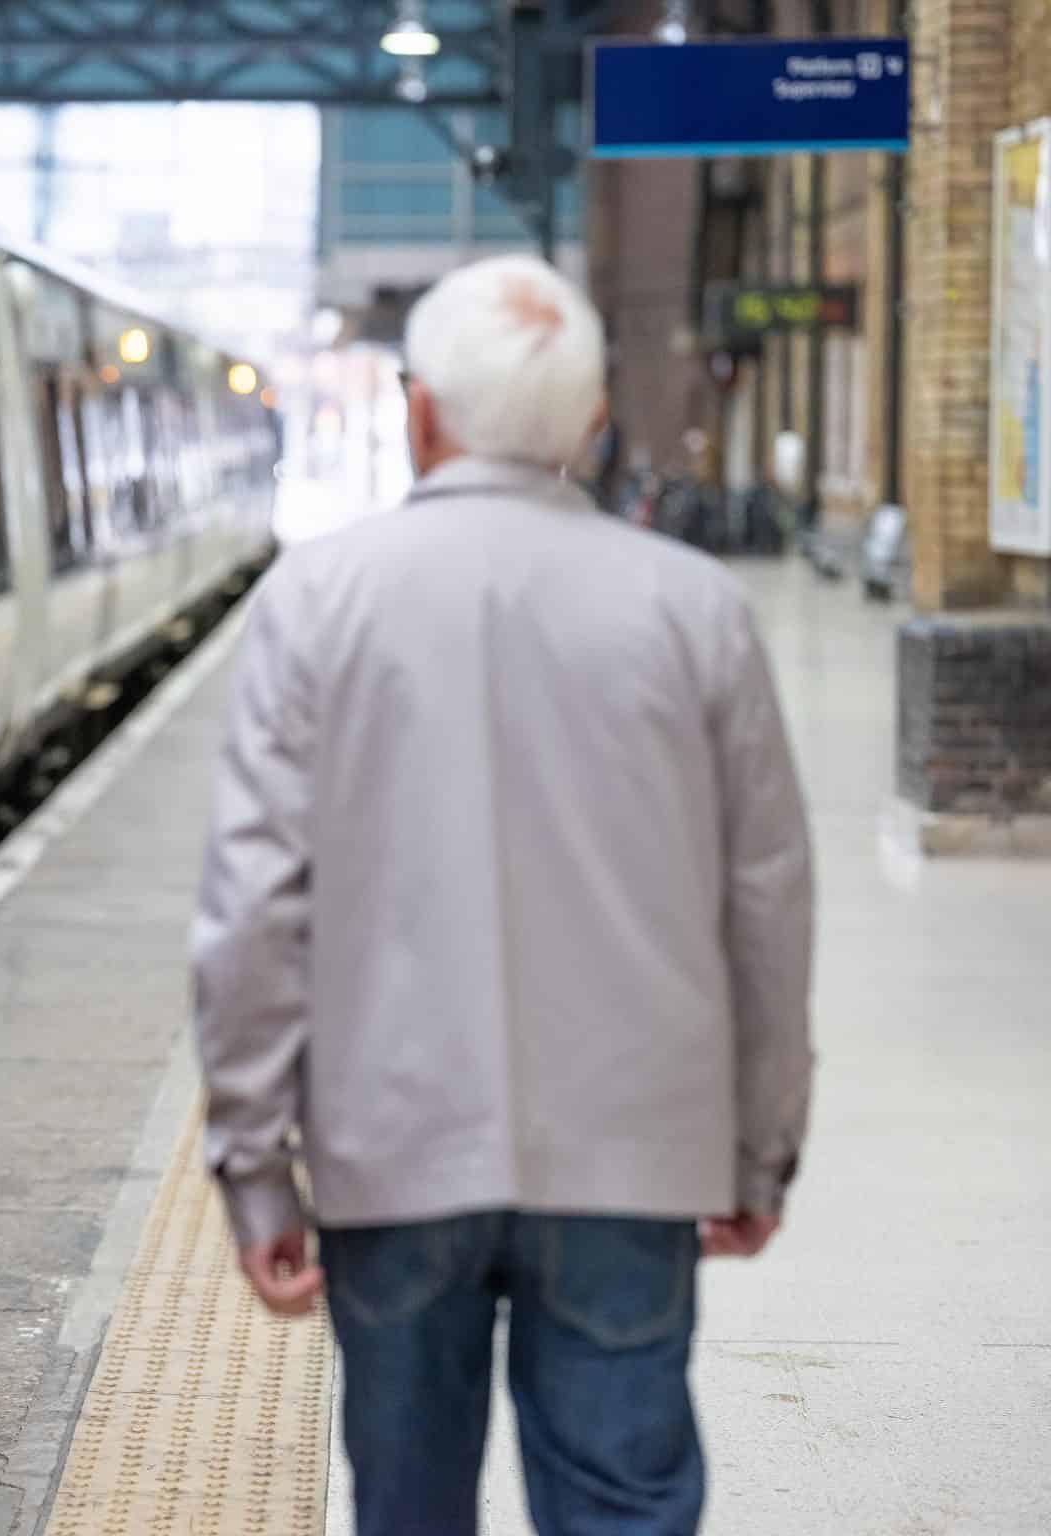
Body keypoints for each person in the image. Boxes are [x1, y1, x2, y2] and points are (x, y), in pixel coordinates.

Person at [191, 255, 813, 1536]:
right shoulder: (695, 607)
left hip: (390, 1152)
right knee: (620, 1507)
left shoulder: (315, 599)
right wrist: (755, 1148)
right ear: (591, 422)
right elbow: (766, 906)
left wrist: (255, 1169)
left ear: (419, 411)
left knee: (406, 1508)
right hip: (631, 1162)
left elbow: (254, 905)